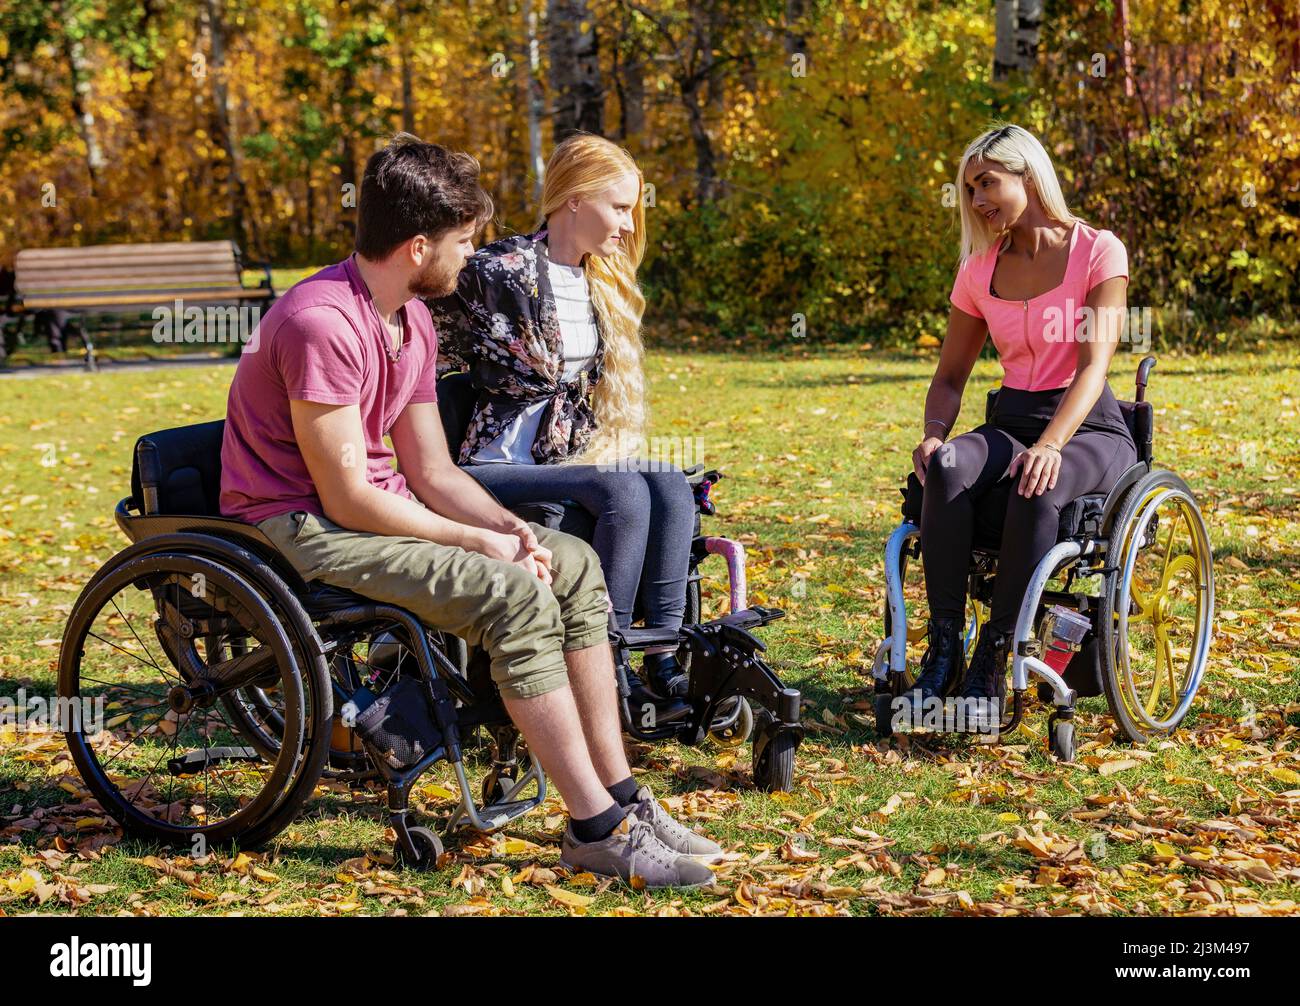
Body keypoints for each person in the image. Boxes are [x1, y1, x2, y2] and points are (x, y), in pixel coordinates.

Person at [219, 133, 721, 885]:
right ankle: (595, 827)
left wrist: (506, 526)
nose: (471, 256)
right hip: (301, 525)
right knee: (513, 592)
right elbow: (344, 495)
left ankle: (621, 793)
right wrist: (477, 545)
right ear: (418, 246)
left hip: (368, 507)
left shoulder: (411, 318)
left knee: (574, 566)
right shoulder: (320, 322)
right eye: (463, 241)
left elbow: (430, 467)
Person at [426, 133, 696, 703]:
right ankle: (606, 659)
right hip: (492, 463)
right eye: (620, 207)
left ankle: (663, 656)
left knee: (671, 482)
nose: (628, 223)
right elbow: (422, 339)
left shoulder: (600, 282)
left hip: (560, 457)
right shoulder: (499, 270)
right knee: (620, 488)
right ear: (574, 197)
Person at [908, 123, 1138, 731]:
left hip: (1089, 427)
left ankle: (998, 649)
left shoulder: (1098, 250)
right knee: (950, 467)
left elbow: (1094, 367)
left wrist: (1052, 443)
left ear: (1029, 176)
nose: (978, 200)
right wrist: (935, 433)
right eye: (970, 189)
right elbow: (952, 375)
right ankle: (945, 643)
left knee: (1039, 480)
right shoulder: (979, 269)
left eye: (988, 183)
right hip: (1012, 418)